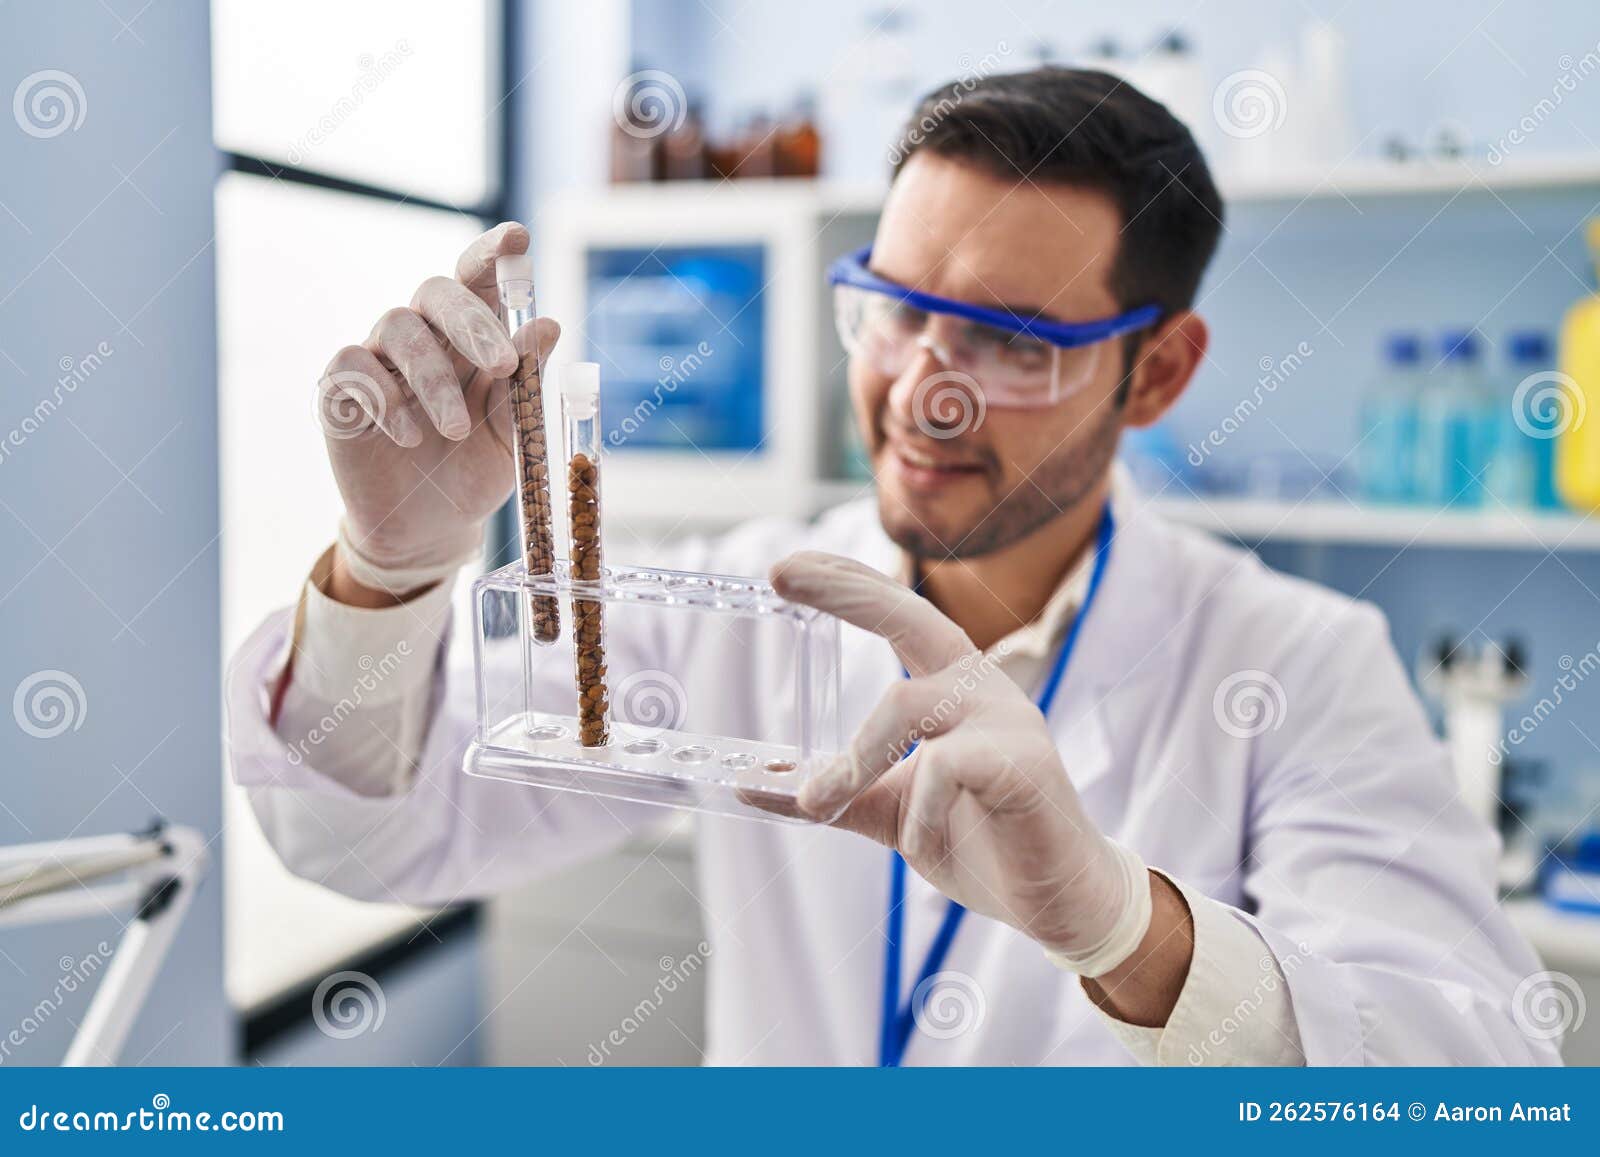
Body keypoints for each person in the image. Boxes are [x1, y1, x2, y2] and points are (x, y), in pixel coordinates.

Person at [227, 68, 1558, 1066]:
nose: (922, 393)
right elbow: (364, 834)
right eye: (898, 308)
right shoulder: (738, 610)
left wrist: (1123, 929)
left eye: (1010, 341)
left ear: (1157, 372)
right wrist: (392, 568)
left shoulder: (1298, 662)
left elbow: (1478, 1074)